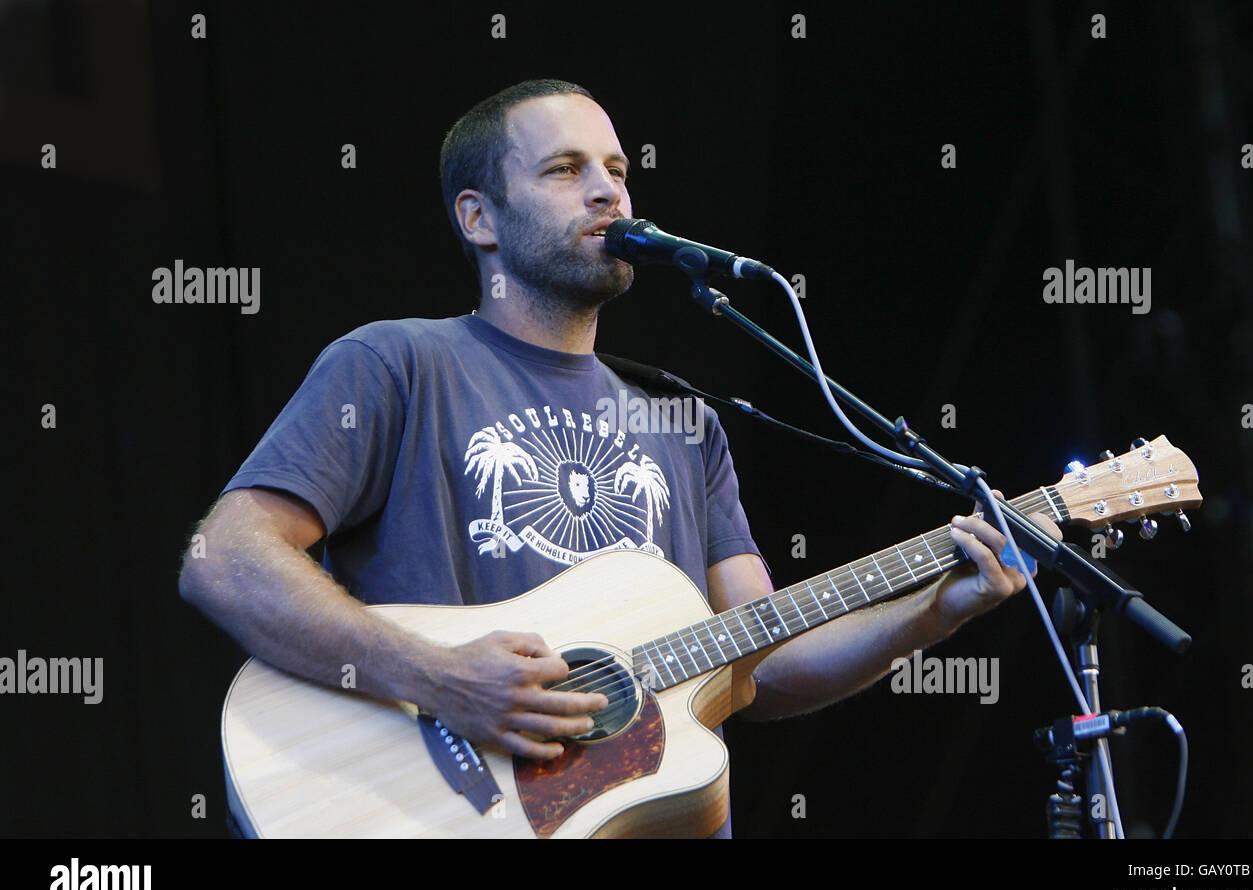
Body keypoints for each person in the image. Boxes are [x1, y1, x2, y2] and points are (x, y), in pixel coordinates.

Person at [178, 78, 1062, 837]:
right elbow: (225, 562)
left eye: (617, 171)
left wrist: (933, 613)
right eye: (565, 170)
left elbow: (762, 661)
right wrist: (445, 680)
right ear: (478, 217)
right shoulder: (397, 364)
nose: (609, 193)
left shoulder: (685, 423)